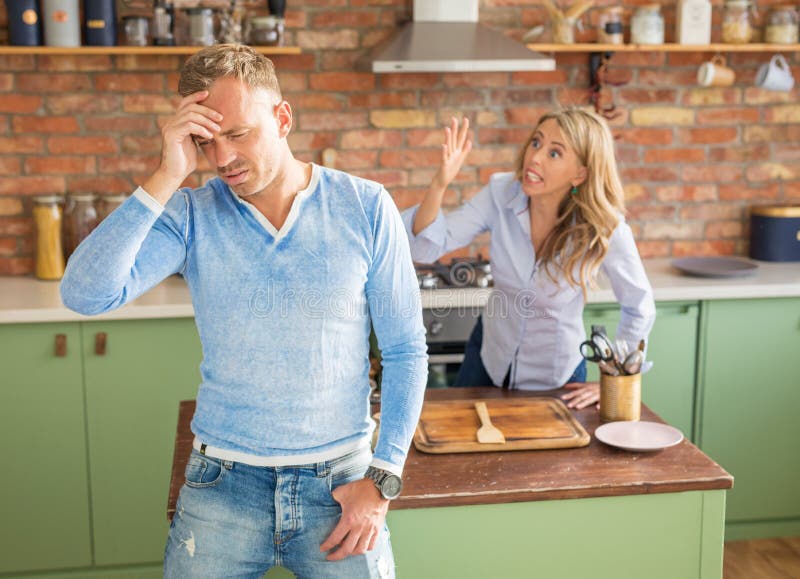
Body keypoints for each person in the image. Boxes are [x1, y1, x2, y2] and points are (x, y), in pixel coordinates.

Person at [60, 44, 427, 579]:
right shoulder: (190, 214)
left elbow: (404, 350)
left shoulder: (365, 206)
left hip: (341, 485)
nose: (222, 158)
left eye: (238, 134)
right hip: (222, 485)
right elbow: (86, 294)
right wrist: (167, 174)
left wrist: (383, 477)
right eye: (206, 141)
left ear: (282, 118)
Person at [402, 108, 655, 409]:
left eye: (554, 153)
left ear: (580, 173)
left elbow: (639, 306)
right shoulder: (501, 192)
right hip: (488, 358)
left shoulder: (603, 227)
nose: (535, 157)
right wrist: (439, 183)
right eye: (536, 143)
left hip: (555, 376)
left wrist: (614, 378)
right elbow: (425, 248)